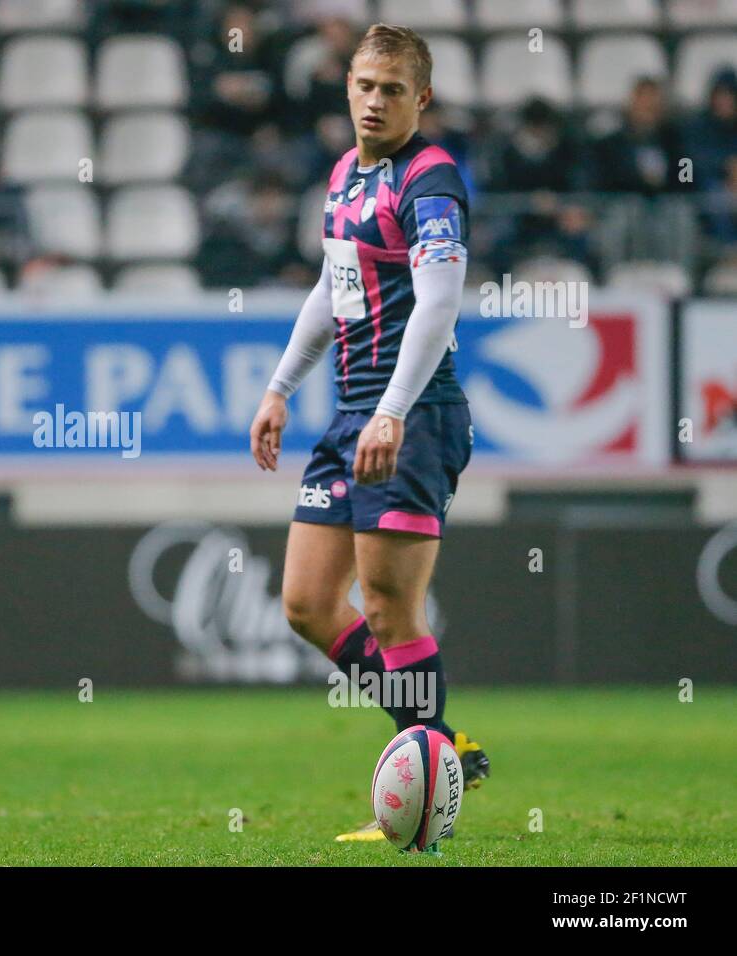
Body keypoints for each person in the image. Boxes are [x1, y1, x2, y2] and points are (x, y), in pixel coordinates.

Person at [247, 23, 490, 849]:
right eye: (364, 84)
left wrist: (390, 409)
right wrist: (281, 387)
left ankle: (426, 802)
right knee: (309, 604)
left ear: (421, 98)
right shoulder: (346, 174)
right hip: (348, 410)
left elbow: (439, 303)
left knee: (390, 611)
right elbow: (330, 286)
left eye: (393, 88)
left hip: (412, 414)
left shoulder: (431, 181)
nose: (375, 100)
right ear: (346, 86)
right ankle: (441, 746)